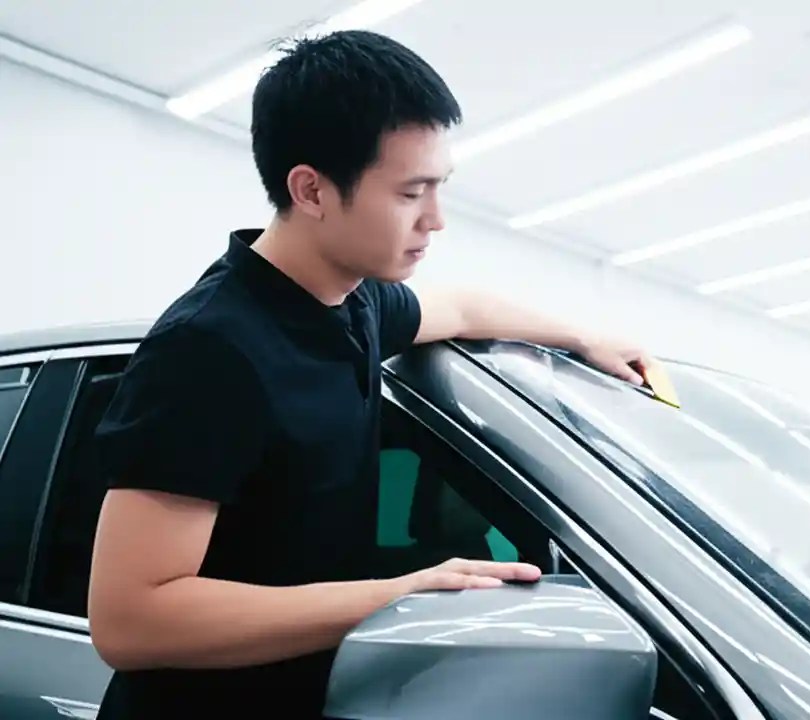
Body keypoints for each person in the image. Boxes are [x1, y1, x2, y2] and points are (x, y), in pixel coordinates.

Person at [85, 29, 651, 718]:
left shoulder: (355, 303)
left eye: (439, 189)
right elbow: (131, 620)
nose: (436, 220)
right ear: (312, 190)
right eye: (412, 193)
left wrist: (586, 336)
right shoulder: (209, 350)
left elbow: (466, 305)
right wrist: (397, 595)